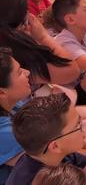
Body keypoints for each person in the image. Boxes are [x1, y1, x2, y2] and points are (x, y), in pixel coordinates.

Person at [0, 47, 30, 182]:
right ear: (2, 92)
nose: (27, 72)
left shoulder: (11, 104)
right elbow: (55, 159)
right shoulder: (5, 133)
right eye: (19, 72)